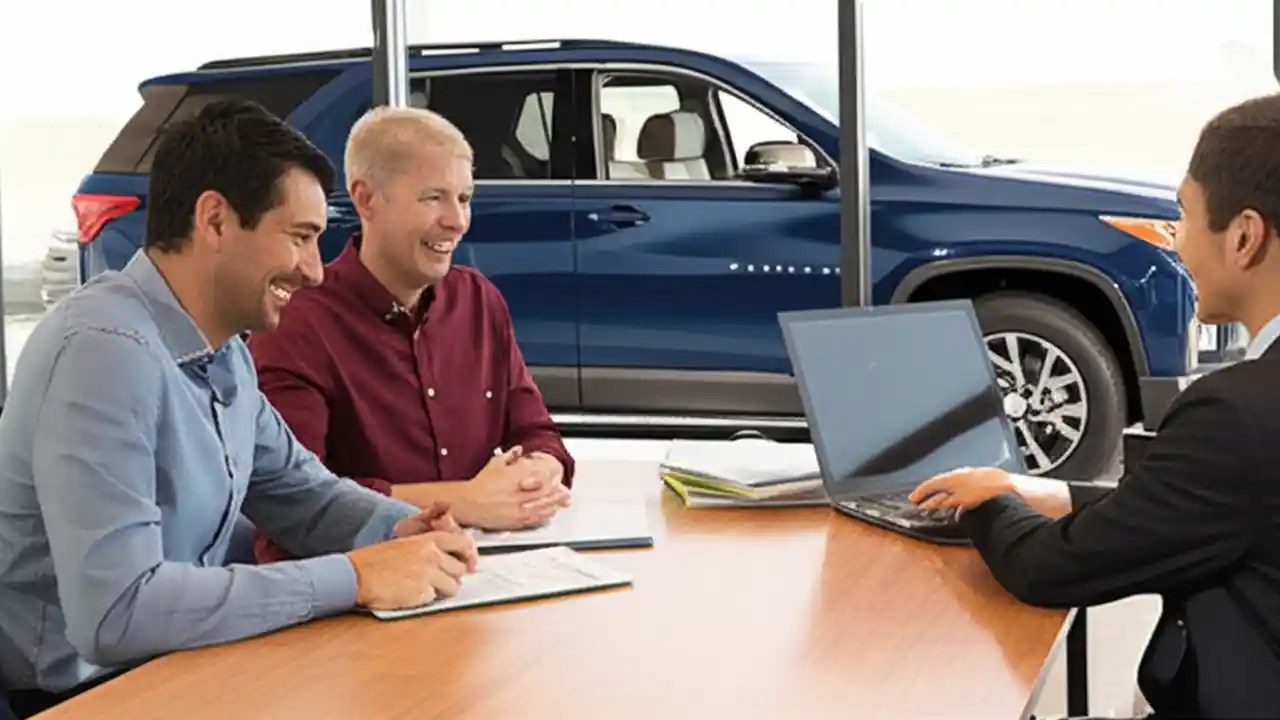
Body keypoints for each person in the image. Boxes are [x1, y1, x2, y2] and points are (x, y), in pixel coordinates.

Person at [0, 100, 479, 717]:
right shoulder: (103, 352)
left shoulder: (222, 350)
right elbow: (118, 612)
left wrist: (401, 529)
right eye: (301, 238)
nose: (315, 272)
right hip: (75, 698)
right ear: (216, 221)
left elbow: (300, 491)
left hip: (174, 670)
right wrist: (356, 576)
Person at [909, 93, 1280, 719]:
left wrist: (986, 502)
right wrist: (1058, 495)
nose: (1178, 244)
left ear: (1244, 236)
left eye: (1182, 218)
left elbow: (1049, 569)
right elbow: (1216, 503)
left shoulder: (1239, 414)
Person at [247, 106, 573, 563]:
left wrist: (540, 473)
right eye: (434, 198)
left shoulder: (479, 301)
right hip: (362, 590)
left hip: (485, 571)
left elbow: (536, 431)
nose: (457, 220)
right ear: (366, 199)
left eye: (464, 198)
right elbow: (292, 503)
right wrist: (464, 500)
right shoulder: (298, 325)